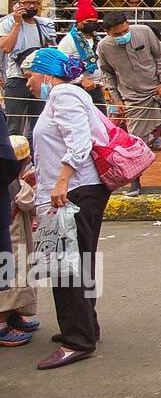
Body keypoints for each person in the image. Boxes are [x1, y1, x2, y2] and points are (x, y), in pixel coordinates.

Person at [27, 47, 109, 370]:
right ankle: (86, 326)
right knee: (79, 260)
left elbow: (79, 141)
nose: (30, 83)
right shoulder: (64, 97)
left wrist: (60, 180)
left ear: (47, 74)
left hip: (74, 191)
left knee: (66, 266)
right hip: (76, 188)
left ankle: (78, 339)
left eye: (31, 75)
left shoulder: (62, 95)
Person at [96, 12, 161, 192]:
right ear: (107, 33)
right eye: (117, 34)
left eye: (125, 31)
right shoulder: (104, 47)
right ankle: (135, 180)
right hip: (133, 96)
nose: (123, 36)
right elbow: (107, 74)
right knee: (137, 139)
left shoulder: (145, 32)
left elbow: (160, 58)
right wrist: (117, 99)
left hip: (159, 90)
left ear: (128, 24)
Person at [1, 0, 56, 138]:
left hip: (39, 78)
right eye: (26, 3)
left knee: (38, 124)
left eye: (34, 2)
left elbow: (51, 48)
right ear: (16, 5)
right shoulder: (7, 23)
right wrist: (17, 24)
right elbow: (6, 47)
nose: (31, 6)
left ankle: (33, 158)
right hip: (16, 79)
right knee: (14, 125)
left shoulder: (44, 24)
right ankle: (11, 159)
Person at [0, 126, 38, 348]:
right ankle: (3, 326)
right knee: (11, 283)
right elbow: (30, 204)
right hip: (14, 242)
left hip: (15, 240)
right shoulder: (18, 185)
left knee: (16, 283)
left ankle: (14, 317)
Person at [57, 0, 106, 108]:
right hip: (76, 87)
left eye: (94, 22)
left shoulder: (98, 40)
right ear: (79, 22)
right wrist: (81, 79)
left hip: (96, 87)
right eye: (88, 22)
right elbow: (62, 64)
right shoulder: (69, 40)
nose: (92, 24)